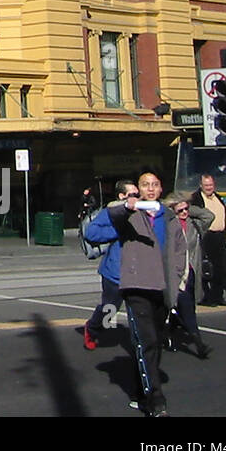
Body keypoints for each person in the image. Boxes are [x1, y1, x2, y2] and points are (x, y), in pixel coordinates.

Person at [85, 170, 184, 417]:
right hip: (127, 280)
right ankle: (155, 400)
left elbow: (178, 248)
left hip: (160, 286)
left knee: (154, 341)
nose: (150, 189)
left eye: (155, 184)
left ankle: (143, 392)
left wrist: (178, 276)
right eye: (145, 185)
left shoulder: (167, 216)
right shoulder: (124, 213)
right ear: (137, 191)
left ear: (161, 189)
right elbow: (92, 232)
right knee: (124, 322)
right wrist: (125, 214)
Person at [81, 178, 136, 350]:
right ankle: (93, 328)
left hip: (137, 271)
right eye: (132, 195)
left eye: (138, 194)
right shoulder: (112, 212)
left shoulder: (143, 210)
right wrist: (118, 231)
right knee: (109, 310)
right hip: (115, 272)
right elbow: (91, 233)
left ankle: (140, 344)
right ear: (122, 196)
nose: (137, 198)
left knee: (139, 310)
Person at [164, 190, 214, 359]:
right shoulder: (170, 226)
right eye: (180, 210)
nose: (184, 213)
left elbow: (209, 216)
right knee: (187, 310)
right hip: (178, 276)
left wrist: (190, 208)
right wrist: (173, 281)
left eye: (186, 209)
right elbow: (169, 256)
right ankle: (199, 344)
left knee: (184, 308)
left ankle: (169, 335)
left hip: (193, 272)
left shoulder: (194, 224)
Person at [190, 173, 226, 304]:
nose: (209, 187)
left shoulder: (217, 197)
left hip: (220, 236)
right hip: (206, 236)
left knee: (220, 268)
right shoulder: (196, 198)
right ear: (201, 185)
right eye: (206, 185)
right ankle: (206, 297)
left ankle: (218, 296)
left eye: (211, 185)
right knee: (206, 268)